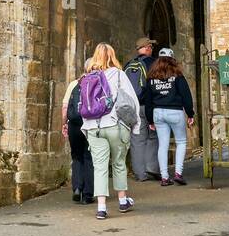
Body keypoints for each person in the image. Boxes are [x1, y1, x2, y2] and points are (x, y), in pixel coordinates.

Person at [78, 43, 141, 220]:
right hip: (115, 126)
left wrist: (86, 128)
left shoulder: (86, 77)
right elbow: (132, 101)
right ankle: (122, 201)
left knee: (99, 167)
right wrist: (136, 126)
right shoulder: (119, 75)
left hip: (93, 128)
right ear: (112, 56)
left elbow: (82, 105)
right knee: (119, 163)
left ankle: (101, 207)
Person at [143, 47, 195, 186]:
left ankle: (165, 177)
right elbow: (186, 96)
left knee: (163, 145)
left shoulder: (151, 77)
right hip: (175, 111)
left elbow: (148, 100)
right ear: (173, 60)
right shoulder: (178, 76)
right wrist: (190, 113)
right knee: (181, 142)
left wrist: (150, 119)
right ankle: (178, 173)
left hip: (158, 112)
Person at [124, 37, 161, 183]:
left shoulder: (128, 64)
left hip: (133, 107)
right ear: (146, 48)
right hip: (149, 106)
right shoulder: (152, 63)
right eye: (151, 47)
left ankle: (140, 174)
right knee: (153, 136)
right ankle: (152, 167)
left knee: (137, 139)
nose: (152, 49)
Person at [60, 75, 94, 204]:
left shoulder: (74, 83)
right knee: (89, 157)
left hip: (74, 125)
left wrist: (64, 124)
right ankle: (88, 194)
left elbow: (65, 107)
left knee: (76, 157)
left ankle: (77, 188)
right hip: (90, 124)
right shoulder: (98, 81)